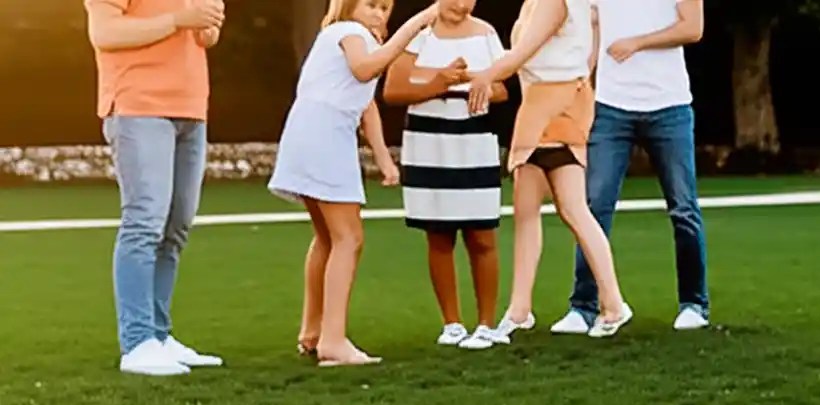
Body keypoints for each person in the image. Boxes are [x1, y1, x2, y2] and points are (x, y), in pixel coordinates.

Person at [268, 0, 436, 367]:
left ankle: (313, 331)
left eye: (386, 7)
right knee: (349, 238)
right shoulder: (349, 32)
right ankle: (333, 340)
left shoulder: (347, 37)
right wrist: (418, 24)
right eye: (371, 4)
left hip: (309, 133)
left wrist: (383, 158)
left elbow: (366, 104)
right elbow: (365, 71)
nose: (379, 13)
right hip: (325, 135)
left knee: (328, 238)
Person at [466, 0, 633, 341]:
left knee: (572, 208)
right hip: (539, 104)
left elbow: (522, 53)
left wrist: (486, 76)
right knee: (526, 211)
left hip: (557, 104)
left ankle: (614, 304)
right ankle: (519, 311)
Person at [548, 0, 710, 335]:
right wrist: (582, 80)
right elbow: (592, 26)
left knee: (683, 208)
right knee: (593, 208)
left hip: (670, 106)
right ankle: (584, 307)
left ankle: (694, 304)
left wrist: (636, 43)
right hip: (610, 107)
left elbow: (692, 28)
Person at [84, 0, 228, 376]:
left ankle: (159, 336)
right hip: (137, 105)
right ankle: (136, 344)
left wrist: (207, 28)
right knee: (144, 221)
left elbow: (204, 38)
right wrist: (180, 19)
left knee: (176, 226)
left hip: (191, 108)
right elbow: (104, 33)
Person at [383, 0, 509, 351]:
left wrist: (472, 81)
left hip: (475, 139)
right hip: (428, 141)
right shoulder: (417, 34)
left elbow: (501, 89)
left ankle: (486, 324)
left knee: (482, 235)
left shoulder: (486, 34)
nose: (461, 4)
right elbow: (393, 90)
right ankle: (452, 324)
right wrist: (439, 82)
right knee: (439, 235)